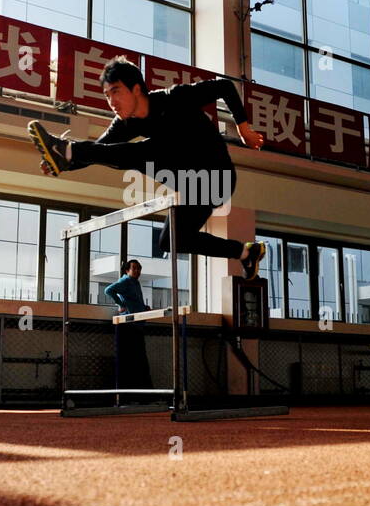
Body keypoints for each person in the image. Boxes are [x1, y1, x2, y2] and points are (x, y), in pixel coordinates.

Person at [28, 57, 268, 279]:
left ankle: (65, 149)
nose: (111, 102)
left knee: (143, 151)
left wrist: (243, 129)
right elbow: (98, 151)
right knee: (171, 240)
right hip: (190, 183)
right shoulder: (124, 123)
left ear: (136, 89)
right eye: (107, 95)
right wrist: (61, 166)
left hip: (217, 177)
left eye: (115, 92)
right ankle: (247, 253)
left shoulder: (174, 97)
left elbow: (224, 87)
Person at [104, 259, 154, 393]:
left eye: (139, 269)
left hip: (137, 323)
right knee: (133, 360)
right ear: (127, 270)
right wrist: (120, 304)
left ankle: (140, 393)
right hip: (129, 324)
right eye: (134, 268)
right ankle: (129, 393)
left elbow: (134, 300)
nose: (137, 271)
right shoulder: (125, 281)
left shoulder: (135, 283)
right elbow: (108, 290)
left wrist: (144, 307)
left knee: (139, 360)